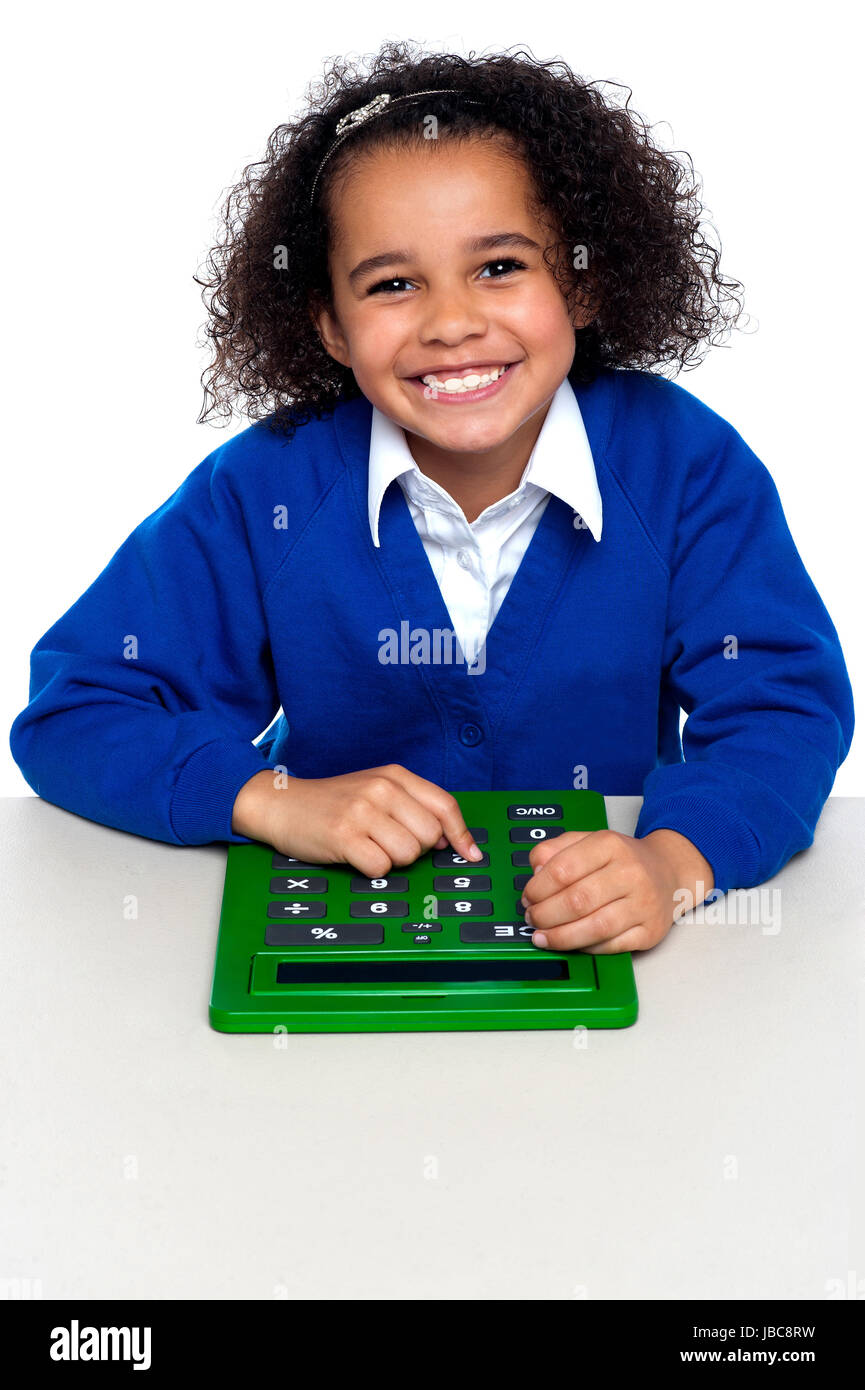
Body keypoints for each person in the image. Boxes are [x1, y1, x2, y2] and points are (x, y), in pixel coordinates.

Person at [9, 42, 855, 957]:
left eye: (499, 267)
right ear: (330, 325)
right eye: (392, 284)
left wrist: (673, 861)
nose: (451, 323)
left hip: (613, 971)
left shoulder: (682, 464)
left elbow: (782, 707)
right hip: (341, 939)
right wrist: (270, 800)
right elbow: (80, 708)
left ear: (581, 279)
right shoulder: (267, 489)